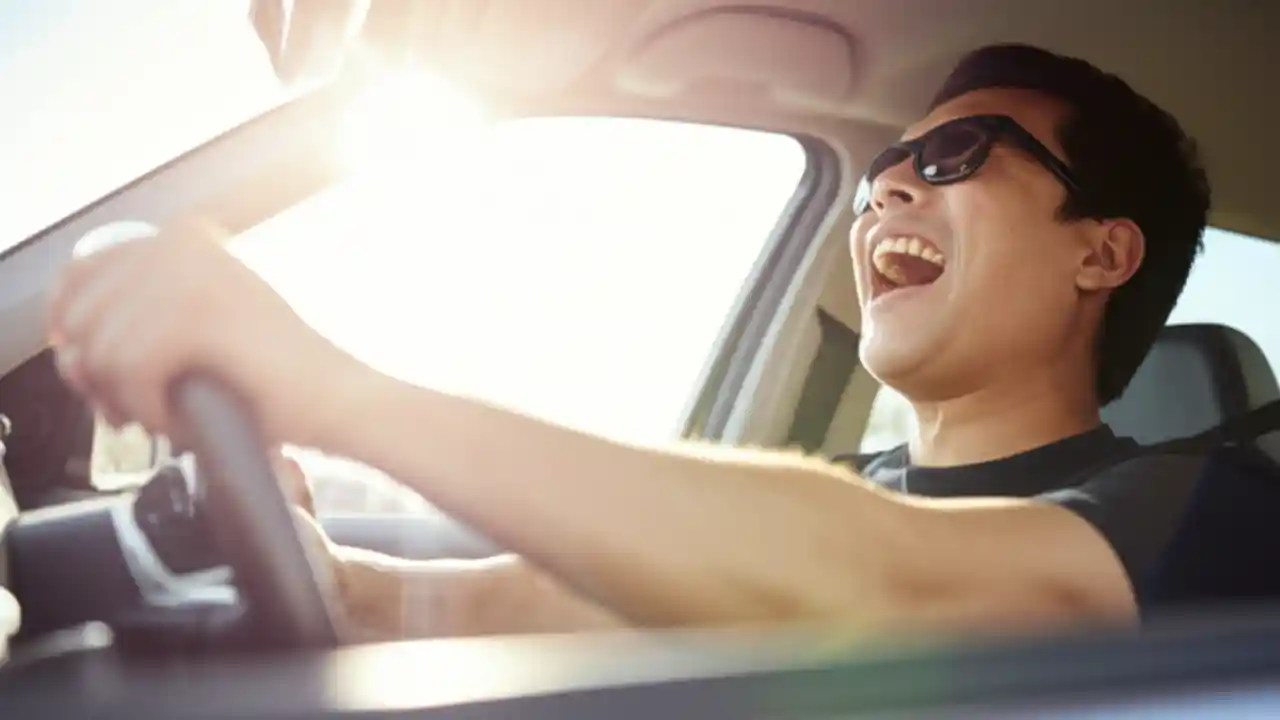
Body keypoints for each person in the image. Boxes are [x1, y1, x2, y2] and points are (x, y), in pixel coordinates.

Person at [48, 43, 1233, 640]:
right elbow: (544, 604)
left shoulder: (1208, 510)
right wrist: (338, 580)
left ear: (1101, 252)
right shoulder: (837, 500)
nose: (886, 191)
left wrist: (335, 394)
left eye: (952, 156)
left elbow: (885, 576)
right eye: (884, 166)